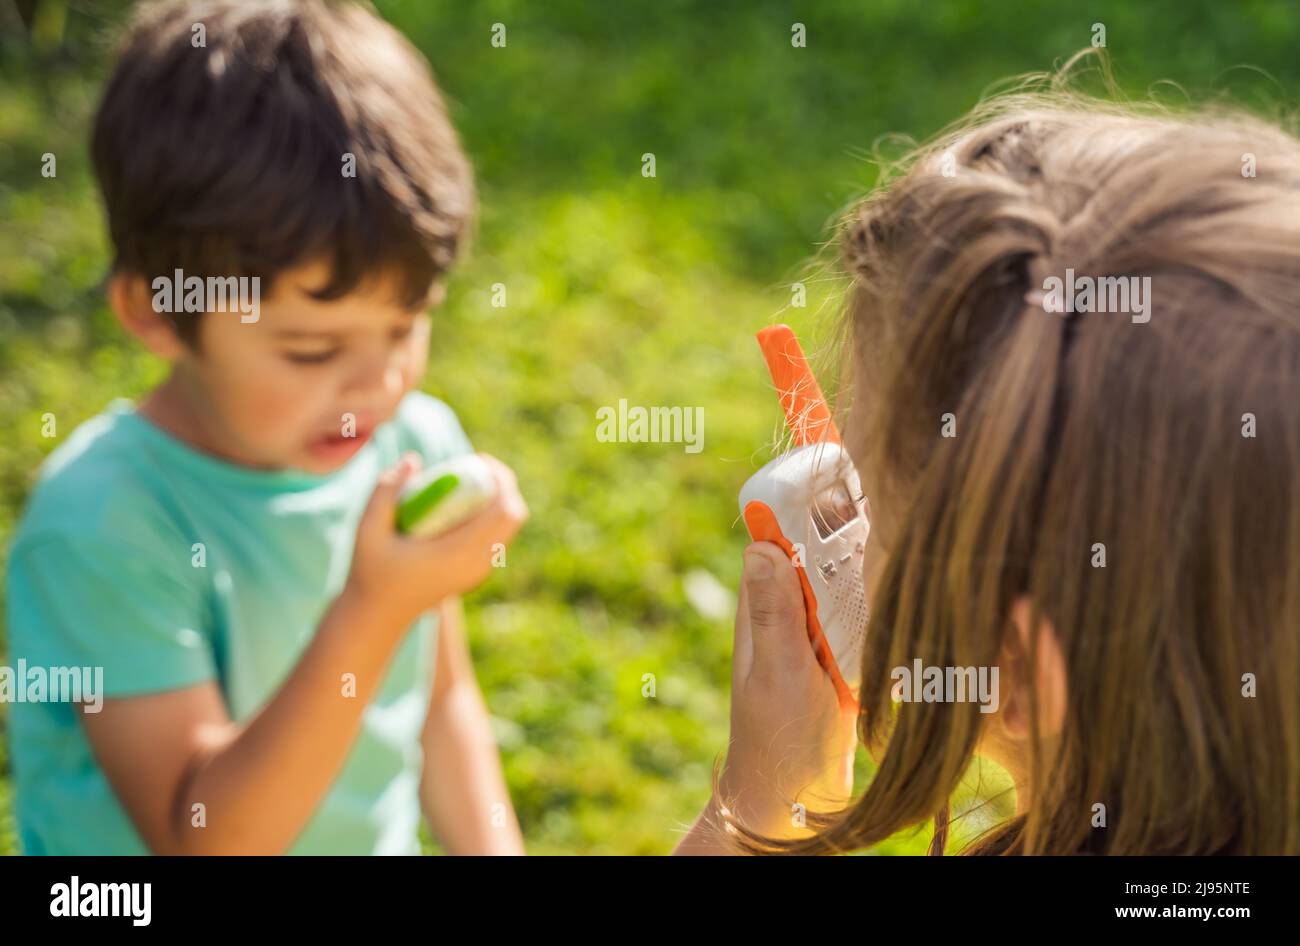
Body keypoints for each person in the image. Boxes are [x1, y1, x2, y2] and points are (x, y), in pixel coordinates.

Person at [6, 0, 528, 855]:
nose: (381, 383)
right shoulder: (102, 528)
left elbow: (442, 704)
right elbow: (201, 837)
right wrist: (372, 608)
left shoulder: (411, 447)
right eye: (311, 350)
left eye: (405, 326)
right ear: (157, 314)